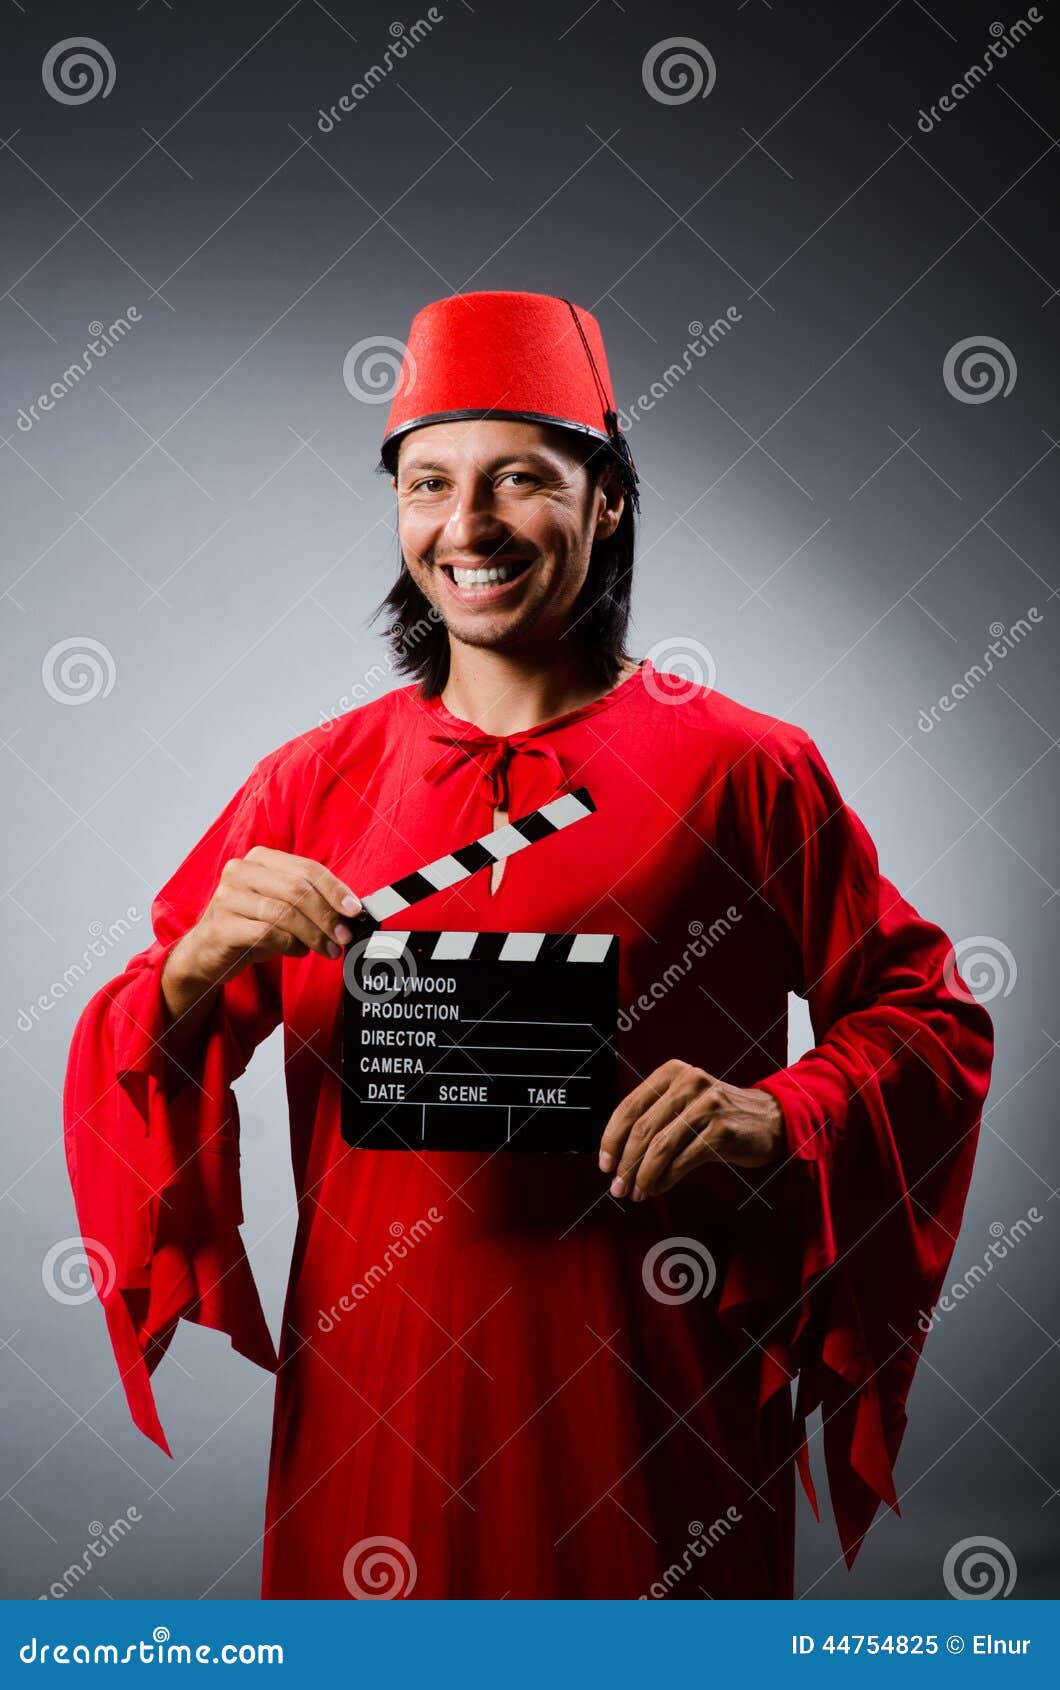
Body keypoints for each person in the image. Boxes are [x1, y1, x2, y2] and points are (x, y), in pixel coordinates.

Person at [63, 289, 994, 1599]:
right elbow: (131, 1051)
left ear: (607, 498)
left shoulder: (747, 769)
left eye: (519, 478)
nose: (469, 525)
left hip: (652, 1408)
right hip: (374, 1412)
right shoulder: (310, 781)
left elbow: (928, 1018)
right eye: (430, 482)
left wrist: (777, 1112)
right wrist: (188, 968)